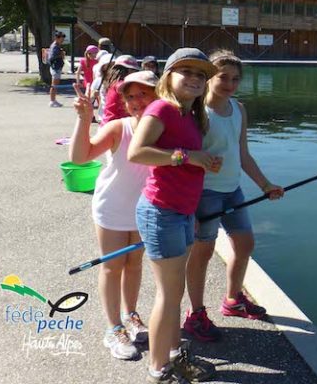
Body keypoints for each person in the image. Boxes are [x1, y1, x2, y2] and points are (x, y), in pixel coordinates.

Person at [128, 48, 220, 384]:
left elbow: (185, 159)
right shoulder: (162, 108)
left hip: (181, 213)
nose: (195, 79)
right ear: (169, 76)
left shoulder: (191, 115)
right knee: (168, 294)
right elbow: (137, 152)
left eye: (201, 75)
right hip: (160, 212)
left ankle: (169, 355)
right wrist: (188, 157)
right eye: (187, 72)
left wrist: (200, 162)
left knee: (174, 292)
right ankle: (158, 369)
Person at [183, 50, 283, 342]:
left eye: (235, 79)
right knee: (201, 253)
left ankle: (233, 300)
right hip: (205, 194)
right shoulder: (195, 111)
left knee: (245, 244)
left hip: (233, 190)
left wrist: (265, 185)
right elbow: (185, 158)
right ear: (209, 76)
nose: (229, 83)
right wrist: (189, 209)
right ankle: (196, 313)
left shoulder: (239, 109)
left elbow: (243, 154)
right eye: (223, 76)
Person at [69, 71, 159, 360]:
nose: (136, 101)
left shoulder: (166, 129)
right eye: (130, 96)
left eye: (143, 93)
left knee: (134, 264)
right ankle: (113, 329)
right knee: (112, 266)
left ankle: (131, 314)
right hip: (112, 207)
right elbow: (80, 157)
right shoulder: (119, 128)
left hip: (145, 209)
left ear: (159, 95)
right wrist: (85, 119)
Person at [100, 55, 141, 126]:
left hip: (108, 123)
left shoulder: (113, 83)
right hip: (115, 126)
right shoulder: (121, 85)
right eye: (134, 71)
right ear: (128, 71)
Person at [47, 31, 67, 108]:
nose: (62, 41)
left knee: (56, 84)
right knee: (54, 85)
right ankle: (52, 101)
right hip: (55, 67)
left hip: (57, 67)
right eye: (61, 39)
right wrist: (60, 54)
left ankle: (54, 100)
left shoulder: (57, 46)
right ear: (57, 38)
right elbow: (51, 57)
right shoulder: (54, 46)